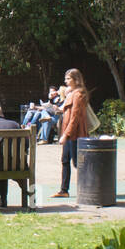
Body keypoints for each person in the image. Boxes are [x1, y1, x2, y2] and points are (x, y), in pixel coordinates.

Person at [53, 68, 89, 198]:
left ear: (76, 80)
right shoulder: (72, 94)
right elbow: (67, 112)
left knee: (78, 163)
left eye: (68, 78)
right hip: (69, 134)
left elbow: (75, 117)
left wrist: (65, 135)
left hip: (76, 135)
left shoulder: (78, 94)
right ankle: (64, 190)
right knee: (65, 160)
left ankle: (88, 188)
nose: (65, 81)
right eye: (66, 78)